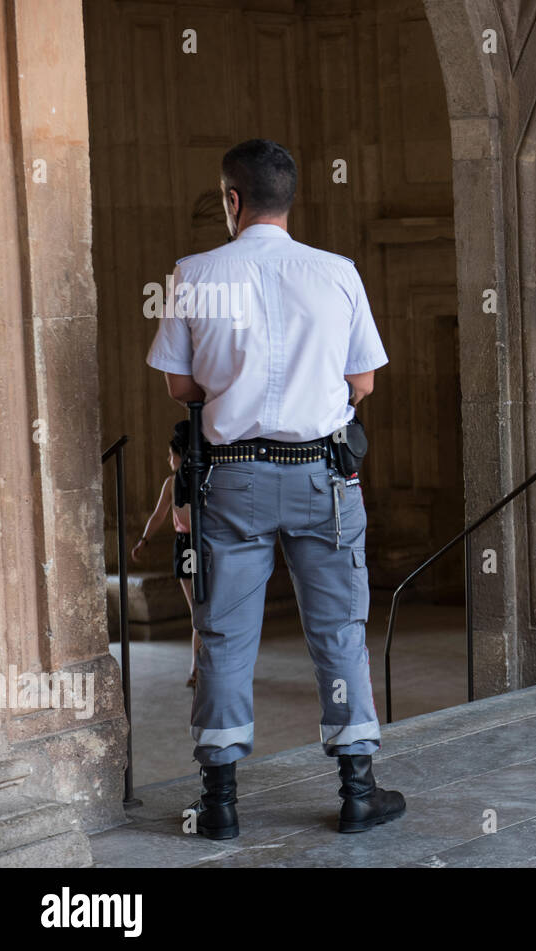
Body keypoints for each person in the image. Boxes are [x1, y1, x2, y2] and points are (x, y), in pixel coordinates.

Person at [144, 138, 403, 839]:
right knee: (339, 629)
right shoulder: (338, 272)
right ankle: (356, 788)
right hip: (324, 477)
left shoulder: (193, 273)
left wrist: (237, 386)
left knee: (224, 634)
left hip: (235, 481)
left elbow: (178, 384)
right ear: (291, 200)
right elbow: (363, 381)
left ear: (232, 200)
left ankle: (220, 800)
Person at [131, 421, 201, 687]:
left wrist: (144, 541)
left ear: (179, 454)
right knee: (200, 610)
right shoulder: (180, 481)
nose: (167, 459)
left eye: (170, 454)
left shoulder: (181, 481)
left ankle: (197, 667)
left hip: (194, 545)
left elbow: (160, 515)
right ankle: (197, 667)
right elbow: (159, 515)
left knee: (199, 610)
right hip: (195, 546)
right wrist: (144, 540)